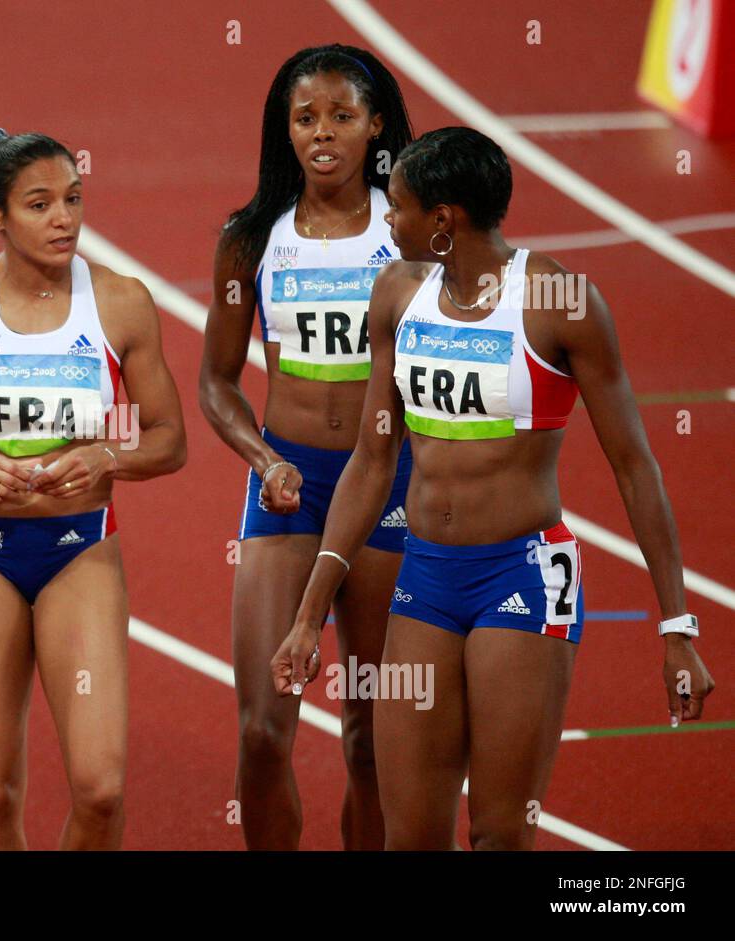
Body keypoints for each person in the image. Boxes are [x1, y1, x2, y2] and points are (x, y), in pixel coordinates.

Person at [271, 126, 716, 850]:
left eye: (402, 207)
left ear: (443, 220)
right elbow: (372, 459)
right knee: (409, 834)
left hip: (525, 574)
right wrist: (308, 612)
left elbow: (636, 467)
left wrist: (677, 628)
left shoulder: (559, 302)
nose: (389, 220)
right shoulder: (395, 293)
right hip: (425, 578)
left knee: (500, 834)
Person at [0, 128, 185, 850]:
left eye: (74, 199)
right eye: (41, 204)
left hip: (79, 549)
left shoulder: (119, 303)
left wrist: (108, 455)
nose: (65, 219)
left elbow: (168, 437)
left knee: (102, 790)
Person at [199, 44, 414, 849]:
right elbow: (217, 382)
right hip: (289, 486)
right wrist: (263, 459)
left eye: (341, 116)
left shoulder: (412, 236)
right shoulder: (251, 238)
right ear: (283, 130)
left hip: (390, 488)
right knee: (261, 728)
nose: (321, 133)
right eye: (304, 118)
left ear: (375, 125)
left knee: (370, 736)